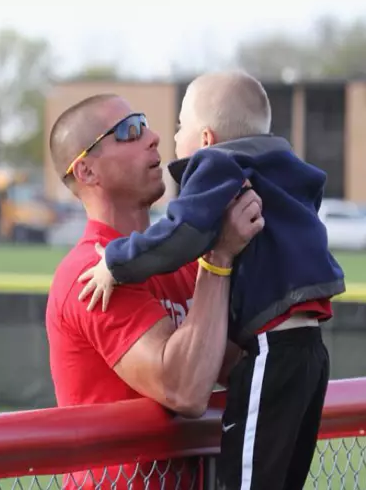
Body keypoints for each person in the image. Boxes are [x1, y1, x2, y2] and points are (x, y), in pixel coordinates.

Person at [77, 71, 346, 490]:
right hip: (311, 349)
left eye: (179, 126)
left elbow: (182, 233)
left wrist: (115, 263)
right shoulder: (283, 167)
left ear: (205, 138)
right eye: (132, 131)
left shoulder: (216, 163)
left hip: (271, 348)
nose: (162, 137)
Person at [46, 92, 264, 490]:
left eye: (145, 124)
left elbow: (236, 366)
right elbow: (183, 388)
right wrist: (219, 257)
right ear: (87, 172)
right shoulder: (90, 272)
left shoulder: (183, 261)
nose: (154, 137)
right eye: (129, 132)